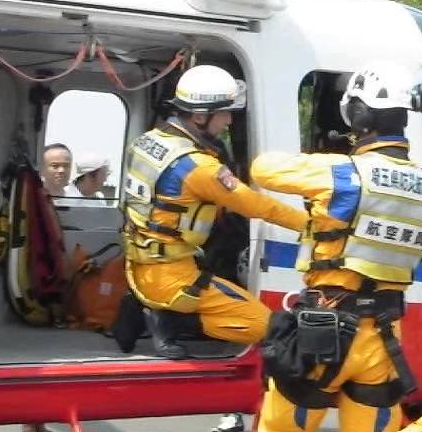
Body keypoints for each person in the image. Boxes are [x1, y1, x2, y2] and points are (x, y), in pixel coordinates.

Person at [232, 63, 422, 432]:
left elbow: (263, 169)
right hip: (383, 341)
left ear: (358, 117)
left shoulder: (342, 173)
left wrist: (321, 158)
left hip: (321, 338)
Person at [122, 64, 307, 359]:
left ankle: (145, 306)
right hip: (174, 279)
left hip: (139, 267)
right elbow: (258, 206)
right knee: (267, 326)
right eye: (224, 113)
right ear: (199, 116)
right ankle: (170, 318)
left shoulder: (150, 141)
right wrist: (311, 225)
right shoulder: (199, 168)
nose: (229, 121)